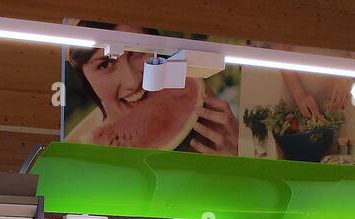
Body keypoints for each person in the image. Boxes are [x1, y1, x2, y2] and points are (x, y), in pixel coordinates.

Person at [65, 24, 238, 154]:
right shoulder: (74, 151)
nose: (132, 82)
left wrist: (239, 159)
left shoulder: (195, 98)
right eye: (105, 64)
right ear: (83, 75)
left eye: (138, 51)